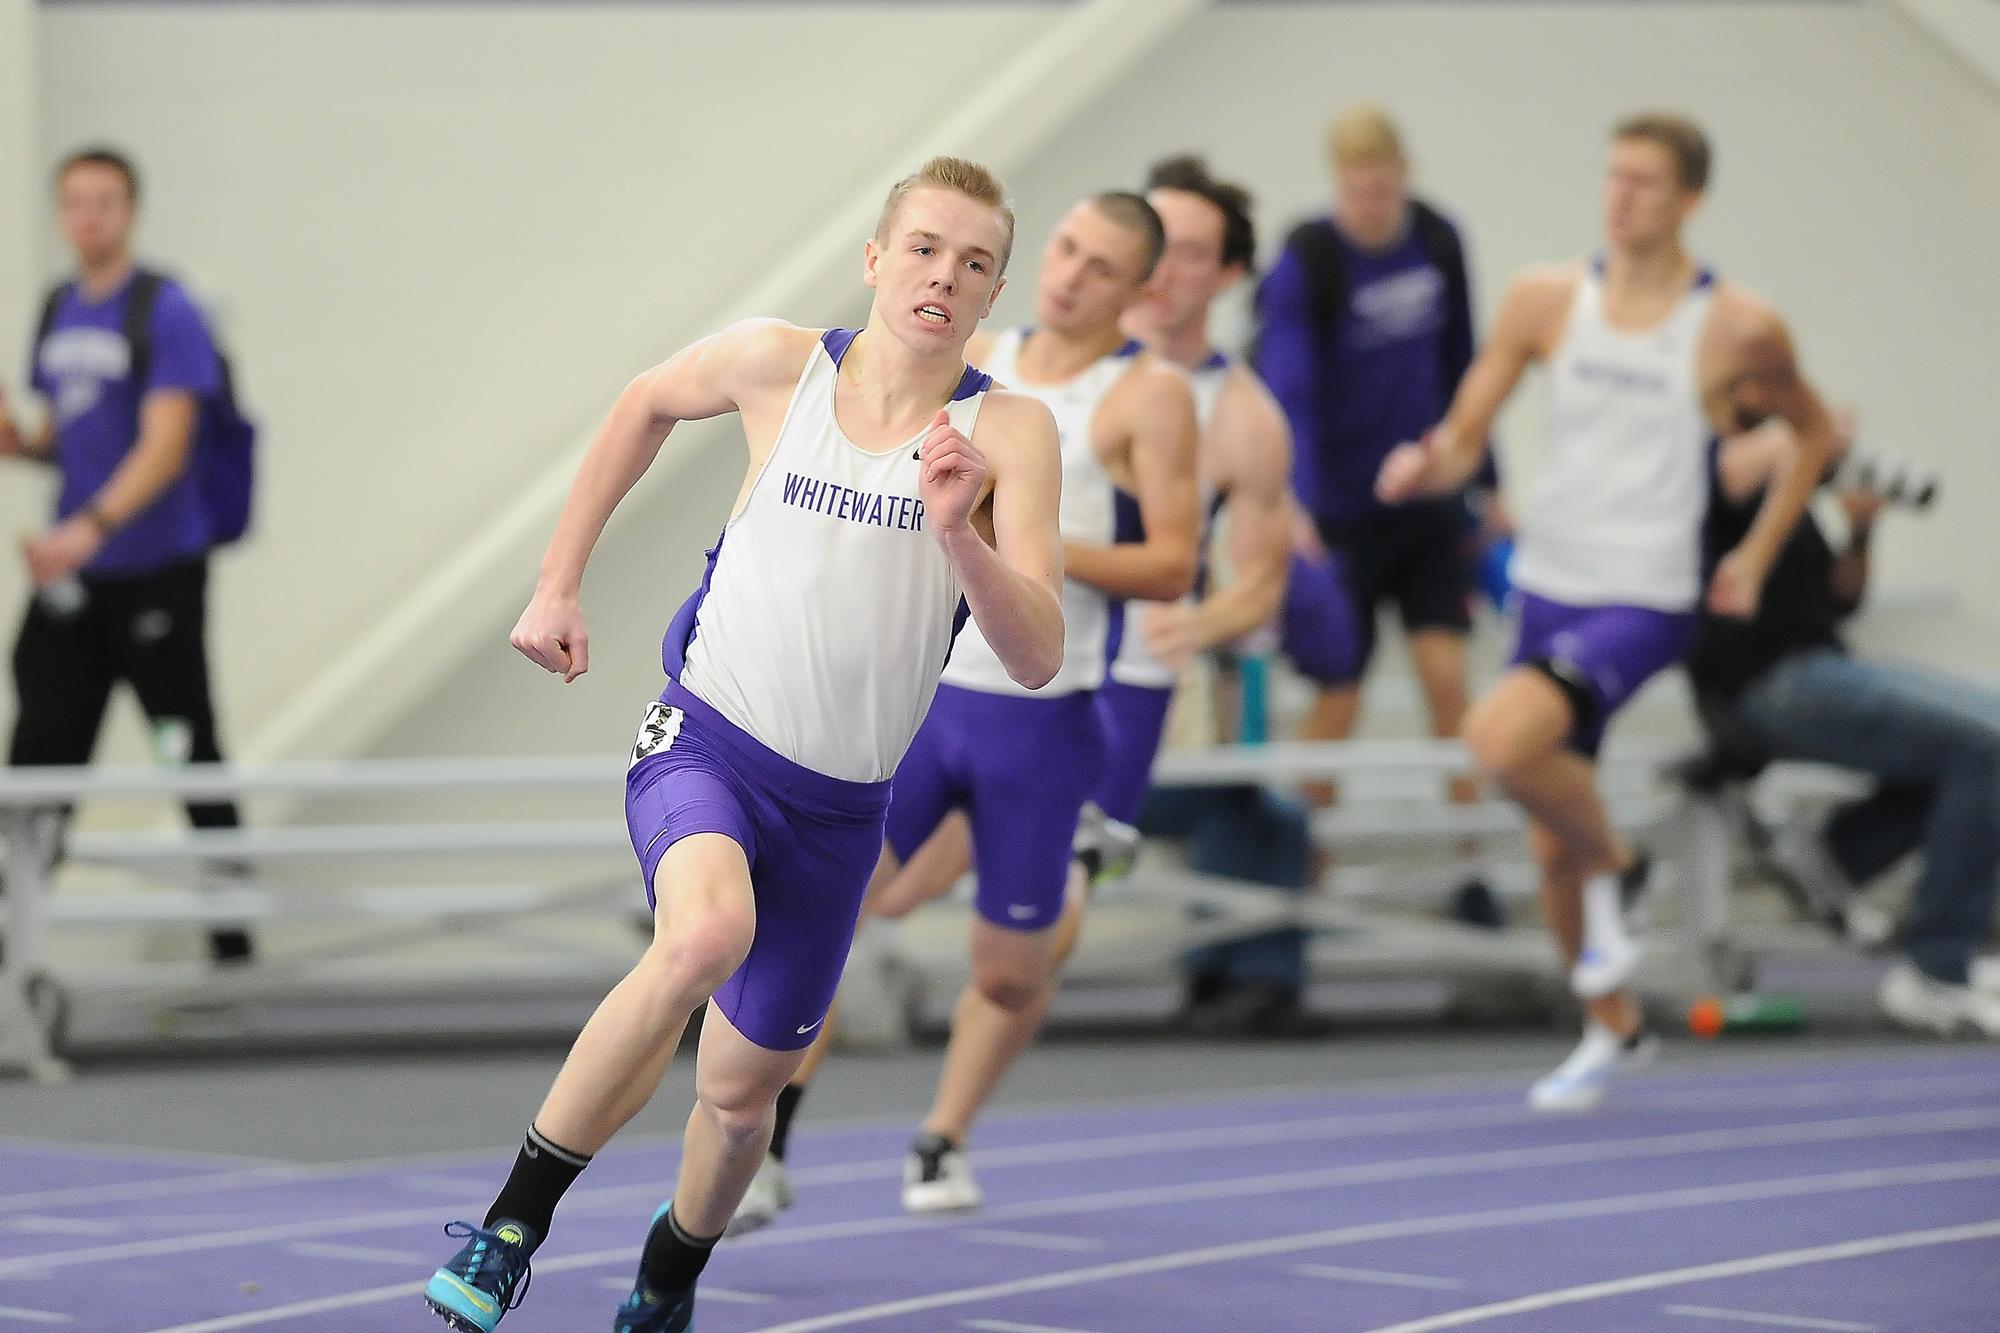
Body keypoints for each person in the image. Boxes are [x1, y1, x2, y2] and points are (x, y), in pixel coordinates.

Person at [421, 156, 1066, 1333]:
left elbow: (1036, 653)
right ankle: (511, 1226)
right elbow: (643, 402)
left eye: (973, 263)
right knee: (703, 935)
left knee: (734, 1103)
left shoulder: (1008, 431)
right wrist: (557, 583)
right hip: (708, 741)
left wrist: (962, 535)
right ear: (875, 259)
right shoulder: (779, 365)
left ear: (992, 293)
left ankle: (667, 1278)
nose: (942, 276)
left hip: (840, 811)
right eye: (923, 248)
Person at [730, 188, 1200, 1233]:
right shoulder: (974, 354)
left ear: (1138, 289)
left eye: (1101, 267)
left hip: (1043, 720)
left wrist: (1025, 534)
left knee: (1013, 968)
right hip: (931, 697)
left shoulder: (1148, 397)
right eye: (1066, 249)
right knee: (819, 913)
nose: (1071, 276)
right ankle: (762, 1141)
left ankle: (942, 1134)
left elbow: (1175, 564)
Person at [1375, 112, 1834, 1111]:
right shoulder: (1545, 298)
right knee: (1550, 838)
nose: (1619, 196)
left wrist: (1753, 556)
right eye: (1612, 176)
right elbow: (1464, 435)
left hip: (1646, 595)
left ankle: (1617, 861)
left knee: (1498, 742)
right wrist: (1426, 465)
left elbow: (1815, 433)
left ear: (1689, 199)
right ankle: (1611, 1026)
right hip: (1548, 584)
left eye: (1644, 181)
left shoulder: (1737, 325)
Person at [0, 146, 251, 964]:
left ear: (130, 210)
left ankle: (233, 948)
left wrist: (88, 528)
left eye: (104, 202)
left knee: (188, 750)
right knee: (39, 756)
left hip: (155, 580)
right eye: (75, 202)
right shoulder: (57, 308)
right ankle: (15, 954)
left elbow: (165, 445)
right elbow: (64, 439)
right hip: (76, 586)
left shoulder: (165, 310)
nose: (89, 217)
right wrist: (20, 444)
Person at [1689, 410, 2000, 1038]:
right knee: (1988, 746)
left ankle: (1834, 857)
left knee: (1978, 742)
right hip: (1765, 681)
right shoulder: (1715, 460)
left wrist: (1860, 531)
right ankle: (1934, 972)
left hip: (1821, 663)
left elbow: (1842, 598)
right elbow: (1724, 472)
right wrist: (1810, 437)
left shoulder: (1791, 494)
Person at [1255, 104, 1497, 835]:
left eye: (1382, 189)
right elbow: (1289, 391)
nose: (1369, 204)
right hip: (1340, 514)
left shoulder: (1437, 240)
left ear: (1405, 173)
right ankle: (1301, 855)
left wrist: (1489, 480)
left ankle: (1475, 856)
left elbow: (1468, 368)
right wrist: (1294, 502)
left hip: (1427, 505)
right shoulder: (1308, 259)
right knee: (1341, 696)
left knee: (1448, 684)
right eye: (1355, 190)